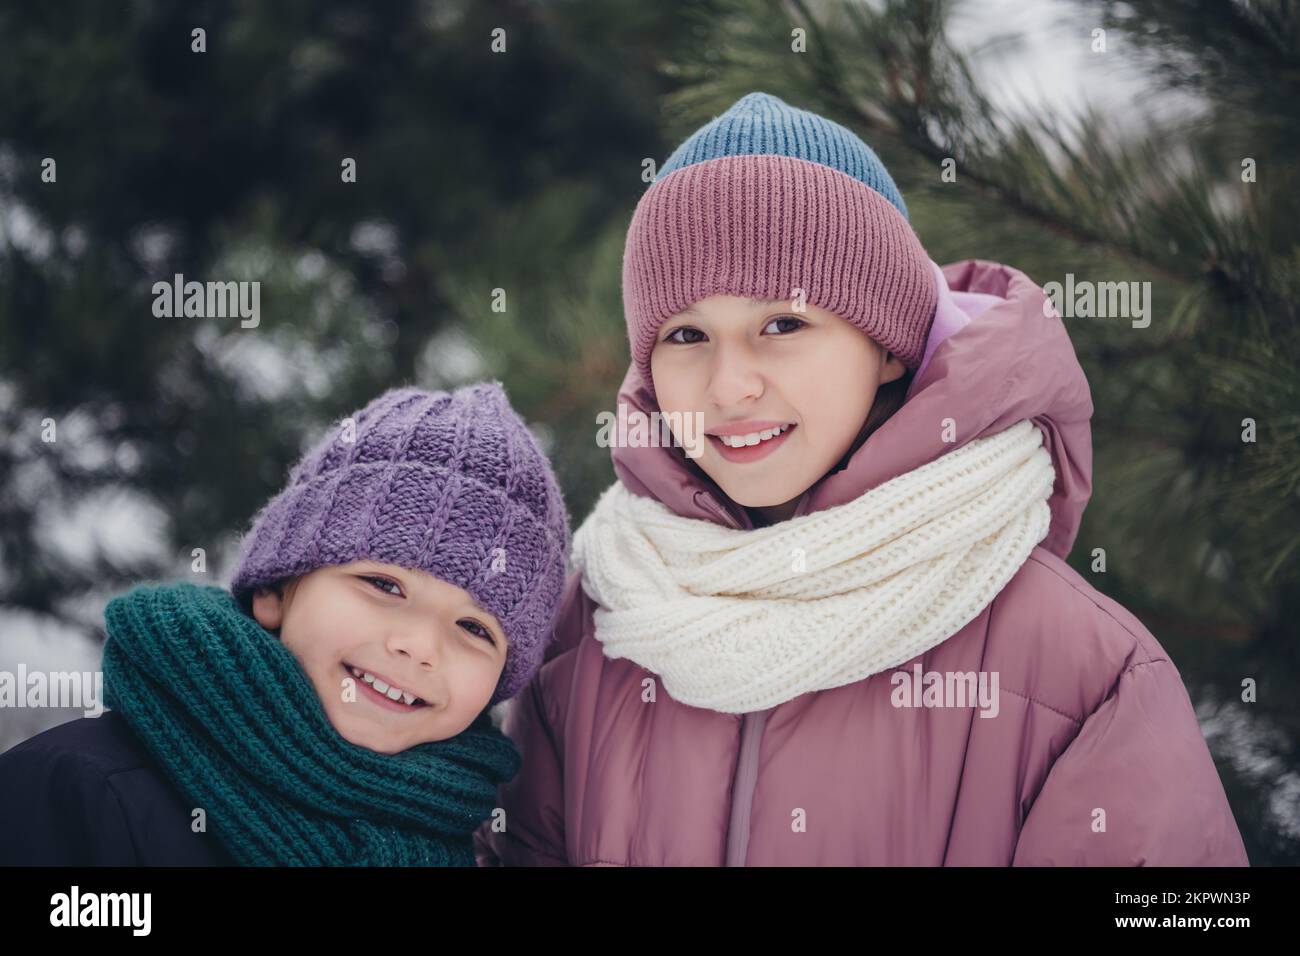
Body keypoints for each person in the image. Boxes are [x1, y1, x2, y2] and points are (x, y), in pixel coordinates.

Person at [473, 91, 1249, 866]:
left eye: (783, 324)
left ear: (887, 345)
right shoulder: (596, 626)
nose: (729, 385)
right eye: (687, 334)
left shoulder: (1084, 669)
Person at [0, 382, 570, 865]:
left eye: (475, 629)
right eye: (384, 585)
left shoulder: (479, 842)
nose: (418, 646)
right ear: (275, 590)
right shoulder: (76, 791)